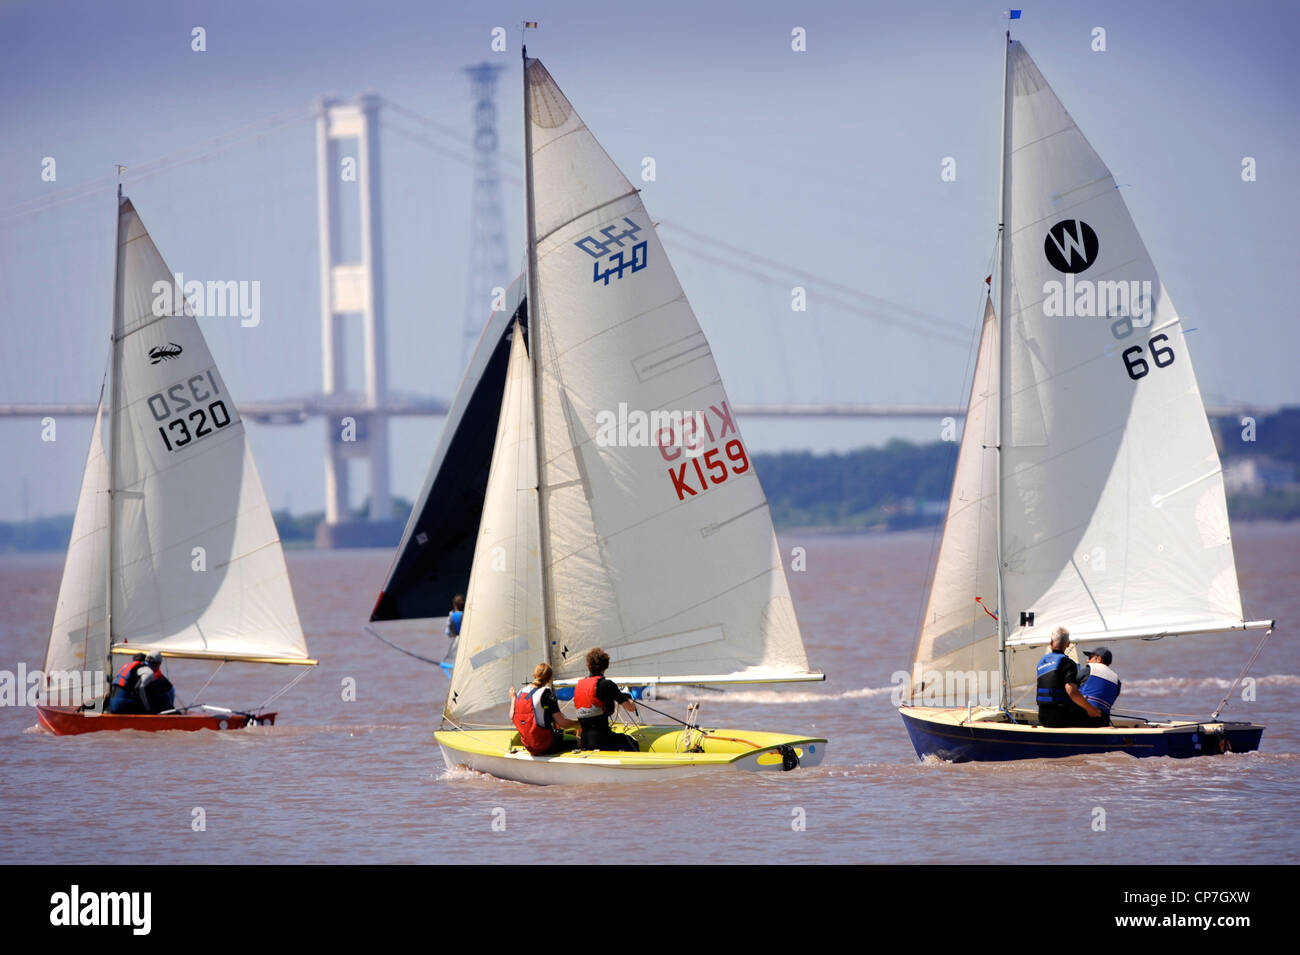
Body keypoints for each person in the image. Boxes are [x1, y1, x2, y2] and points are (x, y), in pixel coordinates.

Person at [573, 647, 639, 752]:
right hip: (604, 740)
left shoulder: (579, 685)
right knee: (633, 743)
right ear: (606, 666)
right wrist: (628, 696)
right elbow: (630, 708)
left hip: (585, 741)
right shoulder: (607, 685)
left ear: (588, 665)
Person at [1035, 627, 1101, 728]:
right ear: (1068, 644)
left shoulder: (1042, 662)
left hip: (1043, 717)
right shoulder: (1067, 663)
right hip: (1060, 718)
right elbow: (1071, 691)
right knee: (1098, 717)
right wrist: (1090, 709)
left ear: (1051, 642)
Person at [509, 662, 579, 756]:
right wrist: (578, 724)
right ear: (549, 678)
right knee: (578, 740)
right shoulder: (546, 693)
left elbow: (511, 716)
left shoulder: (521, 692)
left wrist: (513, 698)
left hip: (529, 746)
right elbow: (562, 723)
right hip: (546, 745)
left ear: (534, 675)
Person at [1077, 647, 1121, 728]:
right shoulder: (1117, 681)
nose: (1087, 660)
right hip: (1103, 720)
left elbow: (1069, 687)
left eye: (1090, 658)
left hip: (1083, 717)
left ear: (1099, 659)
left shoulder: (1088, 670)